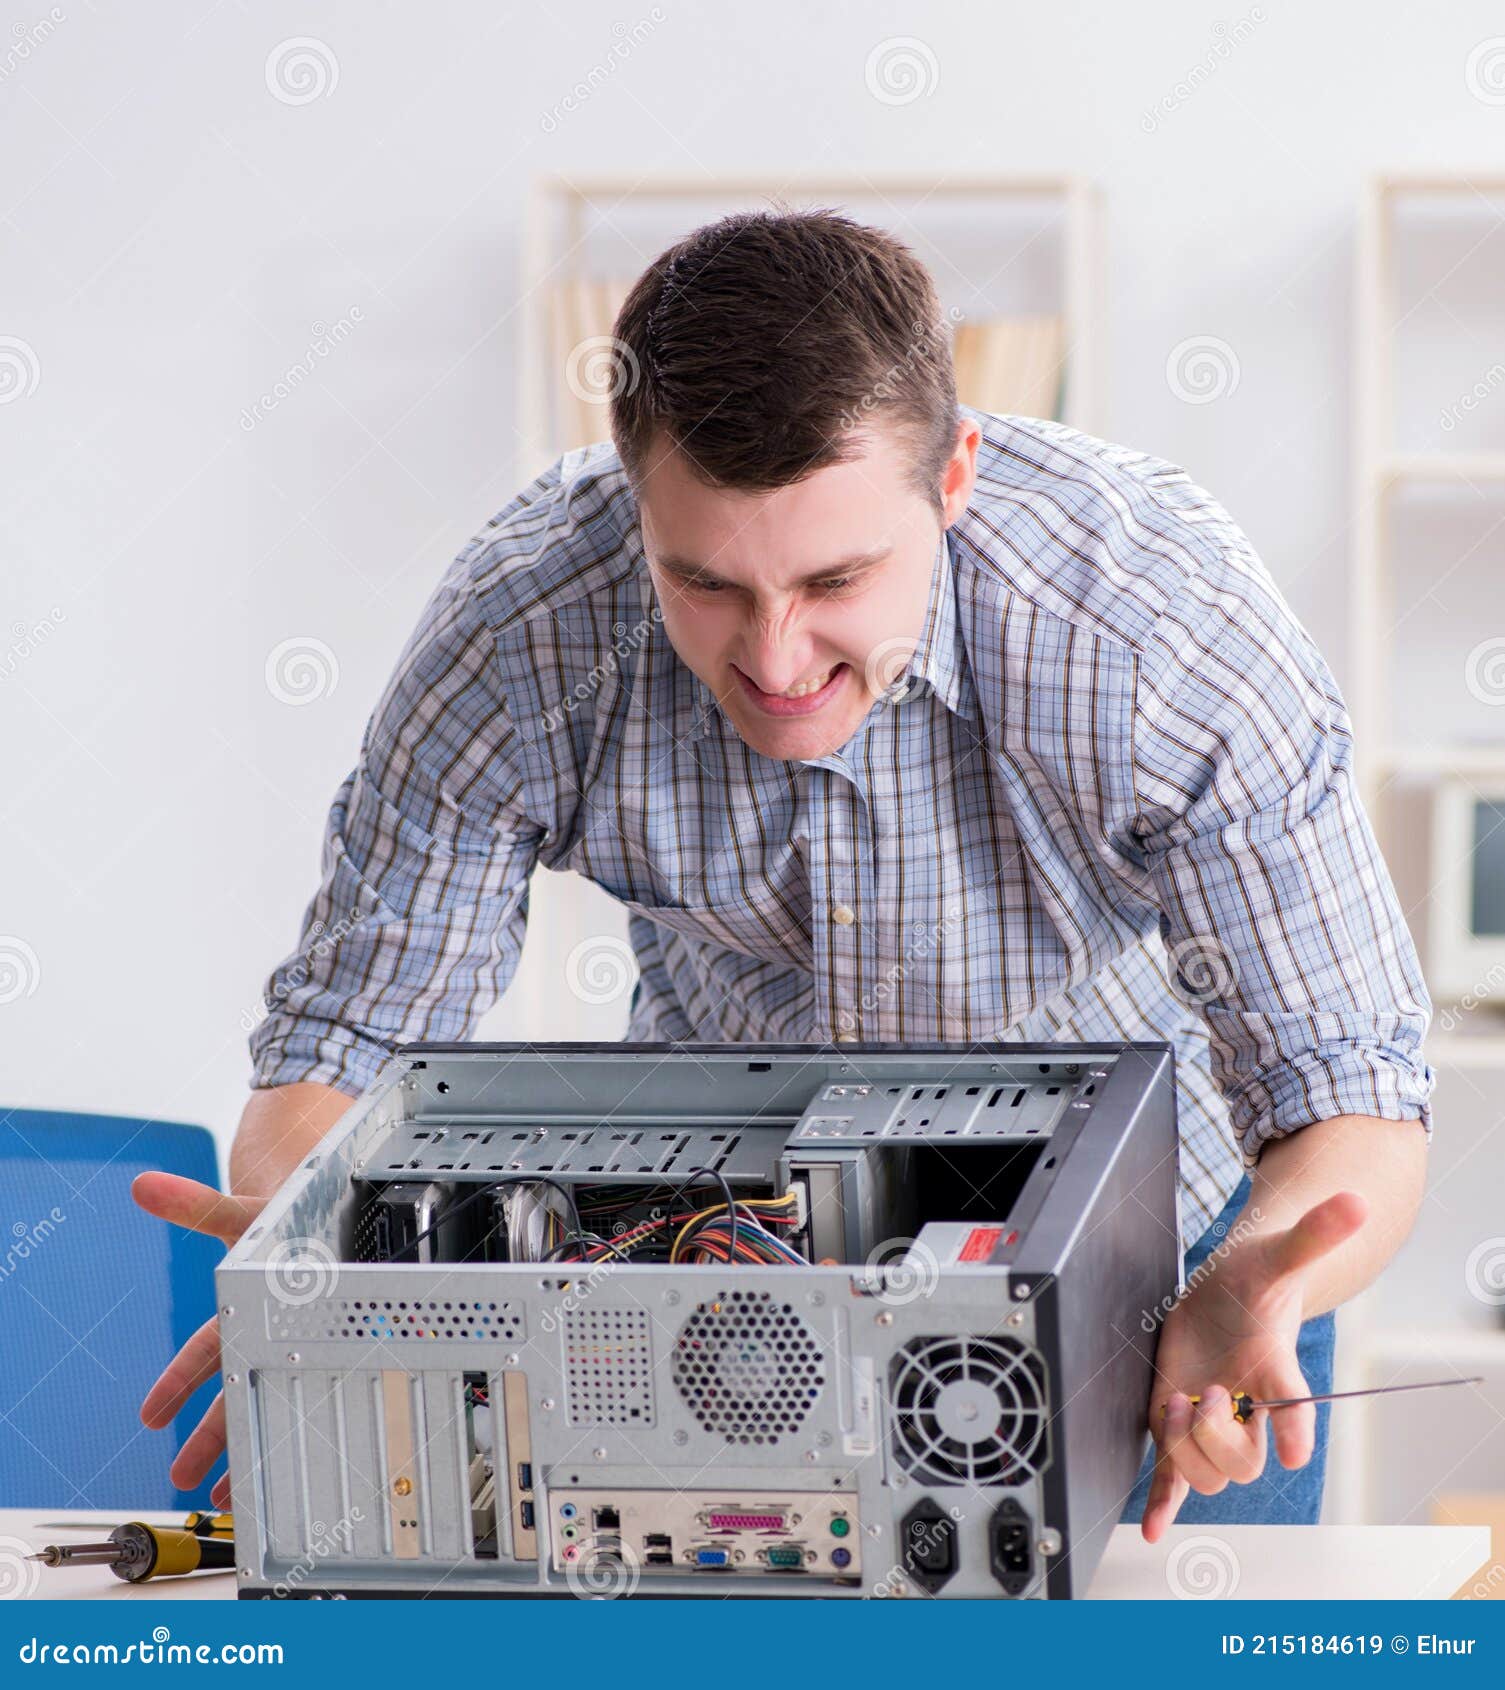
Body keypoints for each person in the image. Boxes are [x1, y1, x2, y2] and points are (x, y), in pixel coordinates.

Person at [133, 209, 1432, 1541]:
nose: (775, 658)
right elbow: (346, 1042)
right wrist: (315, 1259)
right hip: (715, 1276)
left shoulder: (1158, 626)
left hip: (1174, 1281)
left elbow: (1351, 1085)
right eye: (705, 583)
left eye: (836, 579)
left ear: (955, 474)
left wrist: (1253, 1281)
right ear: (632, 502)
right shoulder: (526, 628)